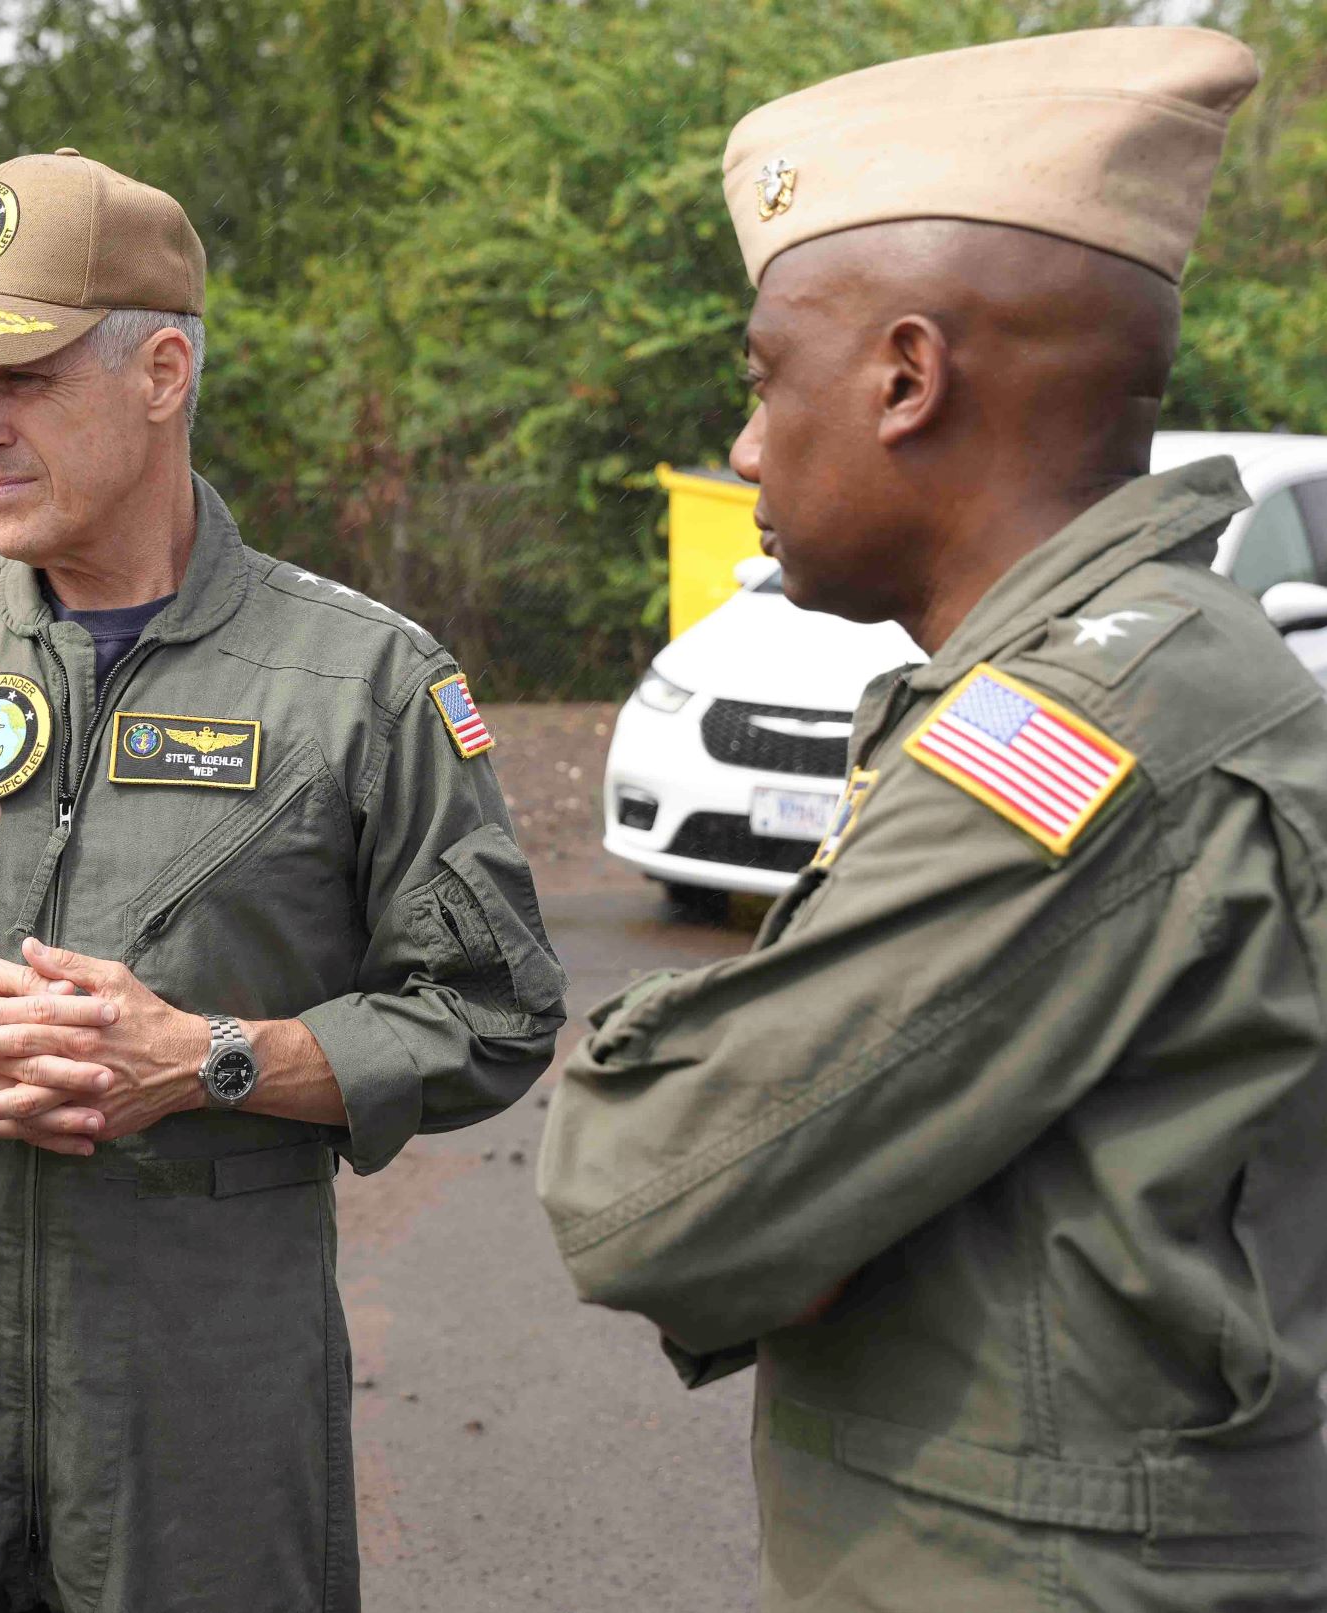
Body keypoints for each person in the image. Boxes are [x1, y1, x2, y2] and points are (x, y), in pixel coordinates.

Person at [0, 150, 566, 1613]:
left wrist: (208, 1058)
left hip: (199, 1389)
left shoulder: (360, 684)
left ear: (160, 371)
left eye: (15, 378)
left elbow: (491, 1012)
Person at [535, 28, 1327, 1610]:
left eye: (764, 376)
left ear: (906, 377)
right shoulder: (1127, 679)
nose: (748, 443)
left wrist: (776, 1176)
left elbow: (641, 1187)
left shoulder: (1089, 737)